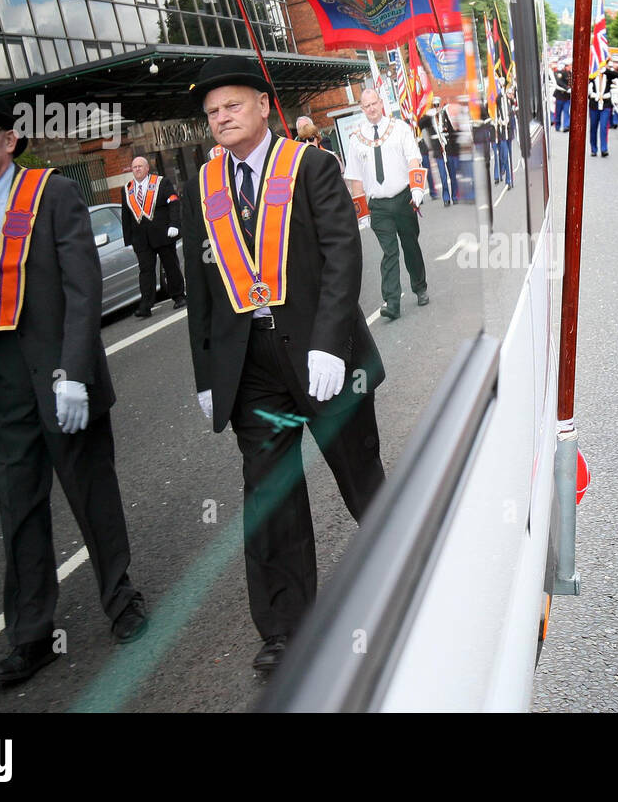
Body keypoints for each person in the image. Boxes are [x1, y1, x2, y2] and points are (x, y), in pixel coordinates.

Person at [182, 57, 386, 672]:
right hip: (251, 368)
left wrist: (331, 342)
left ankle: (410, 573)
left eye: (232, 106)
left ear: (263, 107)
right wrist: (205, 376)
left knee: (360, 476)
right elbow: (200, 287)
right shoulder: (203, 186)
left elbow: (341, 253)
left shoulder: (310, 164)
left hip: (322, 356)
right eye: (212, 112)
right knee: (270, 498)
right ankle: (285, 629)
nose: (221, 118)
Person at [0, 88, 147, 686]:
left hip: (60, 377)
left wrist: (76, 374)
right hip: (2, 388)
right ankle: (31, 635)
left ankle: (120, 600)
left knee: (91, 493)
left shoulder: (51, 192)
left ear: (10, 141)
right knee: (19, 512)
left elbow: (83, 288)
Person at [343, 87, 429, 319]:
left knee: (410, 246)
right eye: (366, 106)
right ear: (362, 109)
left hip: (404, 199)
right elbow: (356, 179)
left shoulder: (400, 129)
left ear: (381, 103)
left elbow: (413, 159)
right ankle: (392, 302)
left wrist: (417, 191)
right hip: (378, 206)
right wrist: (363, 214)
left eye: (374, 103)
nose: (371, 109)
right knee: (389, 252)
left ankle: (420, 288)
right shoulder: (356, 140)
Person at [121, 155, 186, 318]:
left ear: (147, 168)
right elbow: (125, 216)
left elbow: (174, 203)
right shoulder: (127, 189)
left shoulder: (161, 182)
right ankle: (146, 305)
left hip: (163, 233)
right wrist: (128, 240)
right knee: (145, 271)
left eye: (140, 166)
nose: (137, 169)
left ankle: (179, 296)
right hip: (141, 240)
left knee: (170, 266)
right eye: (134, 167)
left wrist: (175, 225)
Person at [587, 65, 616, 157]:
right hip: (594, 104)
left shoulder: (608, 75)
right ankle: (594, 149)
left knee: (604, 127)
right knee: (593, 127)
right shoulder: (592, 75)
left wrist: (605, 70)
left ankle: (604, 149)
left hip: (606, 104)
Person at [552, 63, 572, 132]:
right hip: (560, 96)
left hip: (567, 97)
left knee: (567, 111)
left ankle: (566, 126)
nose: (570, 67)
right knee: (558, 112)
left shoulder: (570, 73)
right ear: (565, 66)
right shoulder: (560, 73)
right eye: (569, 66)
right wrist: (567, 88)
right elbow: (559, 82)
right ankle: (557, 125)